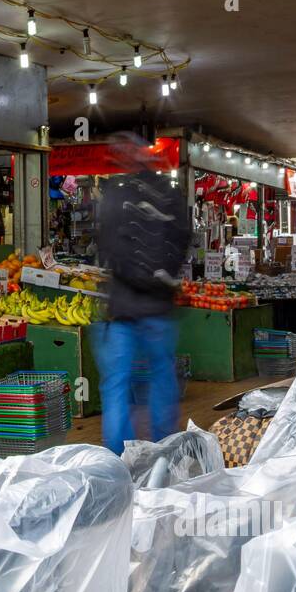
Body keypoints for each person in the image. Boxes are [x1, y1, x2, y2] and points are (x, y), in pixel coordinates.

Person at [94, 134, 190, 454]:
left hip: (122, 306)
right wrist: (160, 278)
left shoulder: (114, 193)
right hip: (159, 306)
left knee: (116, 385)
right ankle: (165, 449)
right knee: (162, 376)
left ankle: (120, 455)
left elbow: (106, 245)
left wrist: (128, 278)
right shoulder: (170, 192)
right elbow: (183, 239)